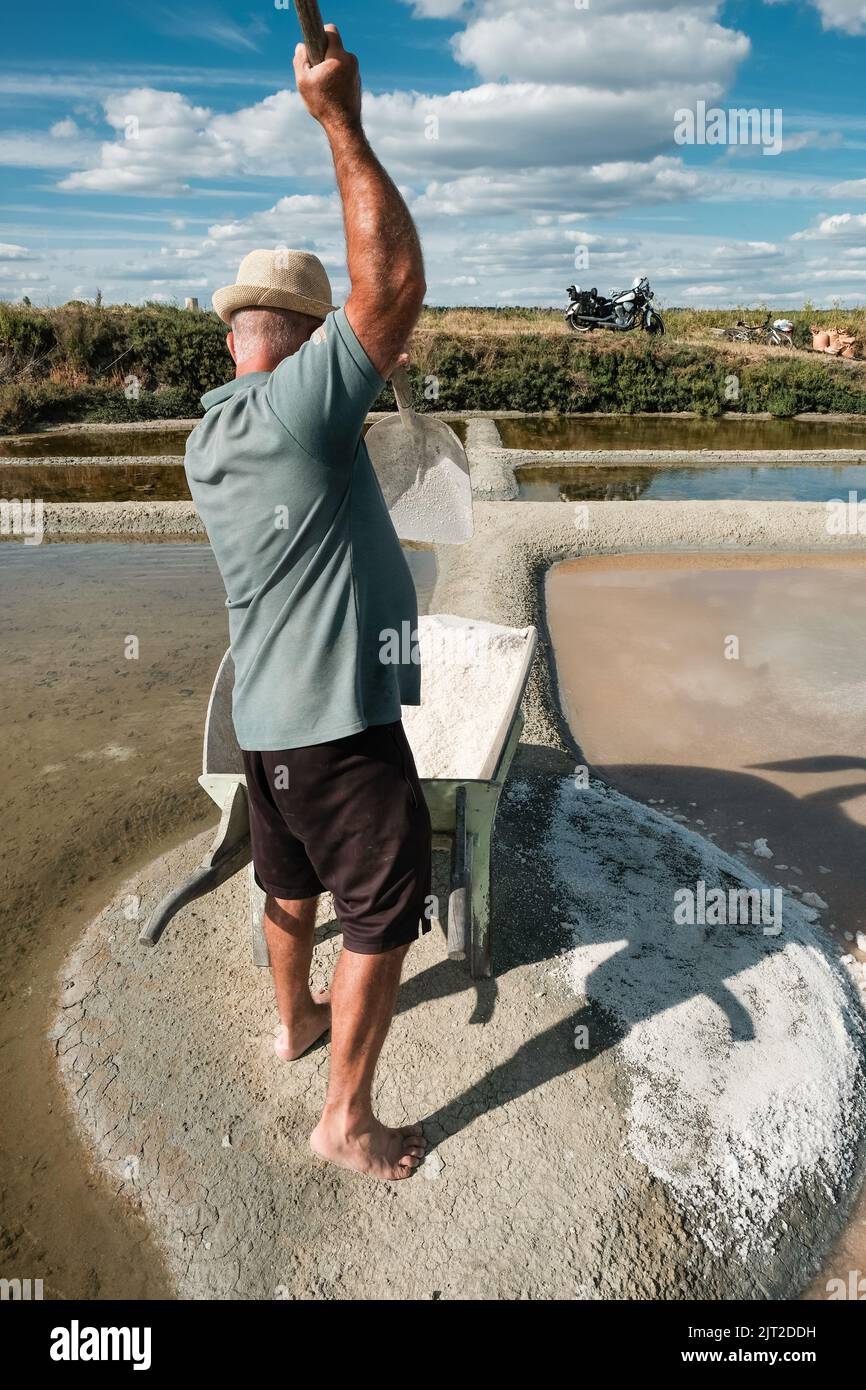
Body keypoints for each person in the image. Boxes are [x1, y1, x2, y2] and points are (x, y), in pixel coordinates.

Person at [184, 23, 431, 1181]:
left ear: (239, 333)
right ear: (293, 339)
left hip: (265, 721)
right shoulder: (295, 411)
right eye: (326, 337)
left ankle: (289, 1023)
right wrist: (339, 119)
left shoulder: (210, 435)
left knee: (286, 885)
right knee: (381, 907)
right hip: (337, 728)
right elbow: (392, 286)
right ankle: (345, 1119)